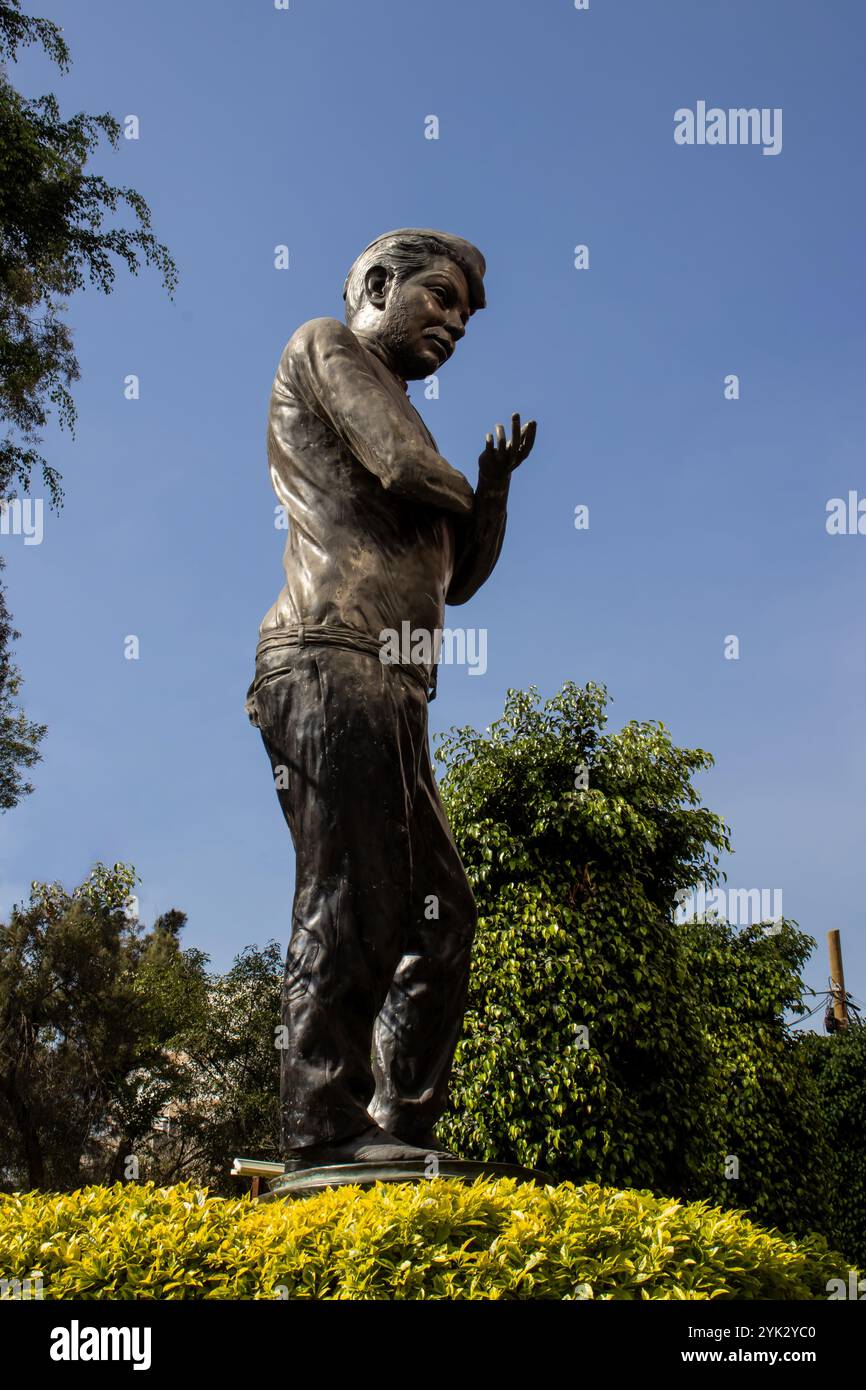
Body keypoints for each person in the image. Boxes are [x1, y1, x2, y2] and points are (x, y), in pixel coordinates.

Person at [246, 229, 536, 1168]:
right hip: (331, 655)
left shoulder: (409, 420)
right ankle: (319, 1123)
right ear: (378, 283)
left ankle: (399, 1129)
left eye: (464, 312)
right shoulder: (326, 345)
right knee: (351, 891)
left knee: (439, 910)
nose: (454, 323)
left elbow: (461, 582)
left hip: (395, 680)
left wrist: (489, 491)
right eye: (441, 298)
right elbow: (406, 470)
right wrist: (455, 482)